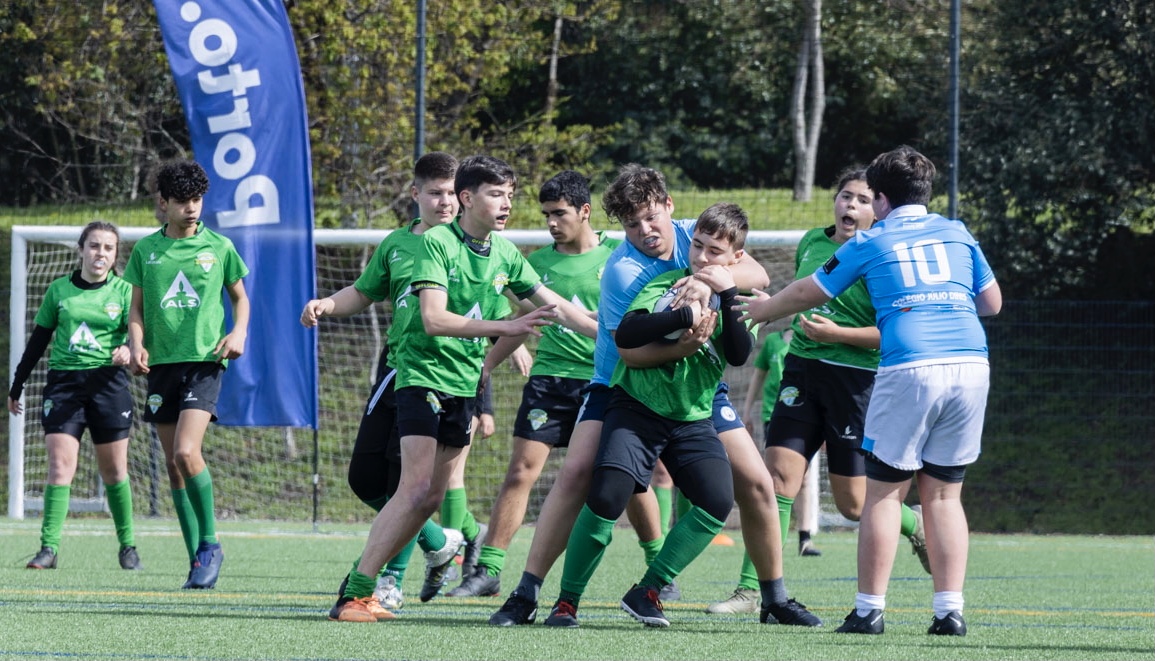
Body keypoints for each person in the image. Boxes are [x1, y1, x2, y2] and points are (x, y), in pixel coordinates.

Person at [491, 163, 820, 628]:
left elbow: (754, 270)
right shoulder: (624, 271)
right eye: (631, 224)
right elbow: (633, 352)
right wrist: (686, 334)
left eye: (651, 217)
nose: (645, 231)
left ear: (669, 206)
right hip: (620, 380)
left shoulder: (693, 236)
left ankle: (774, 597)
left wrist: (709, 277)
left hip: (696, 385)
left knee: (757, 483)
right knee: (579, 475)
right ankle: (527, 594)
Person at [736, 146, 1002, 636]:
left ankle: (868, 611)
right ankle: (949, 612)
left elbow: (807, 292)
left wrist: (761, 310)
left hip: (910, 368)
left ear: (880, 199)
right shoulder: (957, 232)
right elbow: (992, 302)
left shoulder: (871, 242)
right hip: (970, 364)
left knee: (881, 495)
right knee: (943, 495)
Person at [326, 154, 598, 622]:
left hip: (464, 384)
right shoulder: (435, 243)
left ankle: (398, 573)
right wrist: (505, 327)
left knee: (432, 496)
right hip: (421, 377)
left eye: (510, 195)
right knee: (411, 489)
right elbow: (433, 319)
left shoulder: (506, 253)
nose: (506, 203)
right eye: (496, 194)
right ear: (468, 198)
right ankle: (357, 592)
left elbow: (554, 305)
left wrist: (614, 335)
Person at [710, 168, 931, 613]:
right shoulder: (813, 241)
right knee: (777, 482)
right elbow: (798, 298)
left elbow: (898, 333)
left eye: (863, 200)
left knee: (853, 504)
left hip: (857, 383)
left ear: (880, 207)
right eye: (844, 196)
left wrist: (841, 336)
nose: (851, 206)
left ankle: (915, 525)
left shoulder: (885, 254)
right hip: (802, 371)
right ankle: (754, 590)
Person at [545, 203, 755, 628]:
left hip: (692, 416)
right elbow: (628, 333)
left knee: (717, 500)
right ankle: (566, 602)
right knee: (606, 494)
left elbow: (738, 353)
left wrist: (728, 295)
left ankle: (649, 589)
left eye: (714, 251)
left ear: (735, 260)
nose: (701, 257)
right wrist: (680, 316)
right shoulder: (661, 280)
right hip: (636, 406)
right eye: (697, 245)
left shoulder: (739, 299)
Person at [302, 152, 486, 617]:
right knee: (365, 478)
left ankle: (387, 582)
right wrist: (327, 302)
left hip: (444, 373)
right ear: (416, 195)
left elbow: (499, 299)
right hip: (397, 368)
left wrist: (513, 341)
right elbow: (363, 292)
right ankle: (439, 542)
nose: (445, 202)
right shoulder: (398, 244)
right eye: (435, 192)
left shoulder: (473, 245)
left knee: (410, 482)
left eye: (451, 193)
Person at [446, 170, 622, 598]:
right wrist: (485, 366)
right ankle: (488, 569)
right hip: (549, 383)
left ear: (584, 211)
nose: (551, 222)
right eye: (545, 214)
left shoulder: (620, 256)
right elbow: (520, 324)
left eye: (559, 213)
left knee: (624, 480)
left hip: (605, 383)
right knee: (521, 471)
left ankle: (659, 569)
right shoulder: (534, 263)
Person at [124, 159, 250, 590]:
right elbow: (136, 308)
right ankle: (197, 560)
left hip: (204, 362)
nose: (192, 208)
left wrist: (238, 331)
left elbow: (241, 298)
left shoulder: (219, 247)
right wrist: (137, 344)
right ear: (163, 203)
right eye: (182, 202)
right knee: (174, 468)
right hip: (161, 366)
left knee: (185, 452)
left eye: (197, 200)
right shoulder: (145, 251)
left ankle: (211, 543)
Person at [9, 221, 141, 571]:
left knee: (114, 472)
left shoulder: (126, 292)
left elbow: (142, 337)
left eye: (108, 248)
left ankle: (128, 546)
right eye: (94, 246)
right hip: (65, 387)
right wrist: (17, 384)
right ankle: (48, 548)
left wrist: (129, 349)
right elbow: (38, 341)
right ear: (81, 250)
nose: (100, 253)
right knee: (58, 466)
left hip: (109, 386)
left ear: (115, 256)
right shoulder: (59, 290)